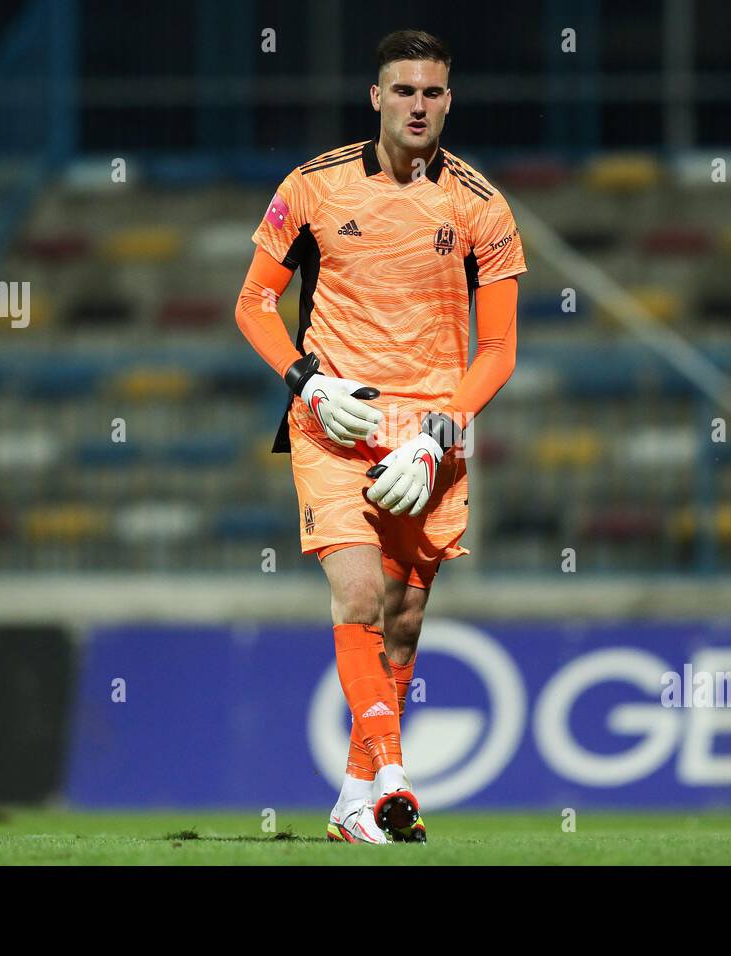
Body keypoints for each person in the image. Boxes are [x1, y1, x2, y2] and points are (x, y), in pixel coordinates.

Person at [234, 29, 525, 843]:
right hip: (335, 422)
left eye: (433, 92)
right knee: (359, 596)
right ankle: (396, 777)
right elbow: (251, 305)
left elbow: (498, 351)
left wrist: (441, 432)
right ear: (376, 98)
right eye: (404, 91)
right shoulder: (313, 187)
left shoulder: (480, 206)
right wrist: (308, 381)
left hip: (430, 437)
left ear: (449, 100)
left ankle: (352, 805)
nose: (419, 106)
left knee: (400, 623)